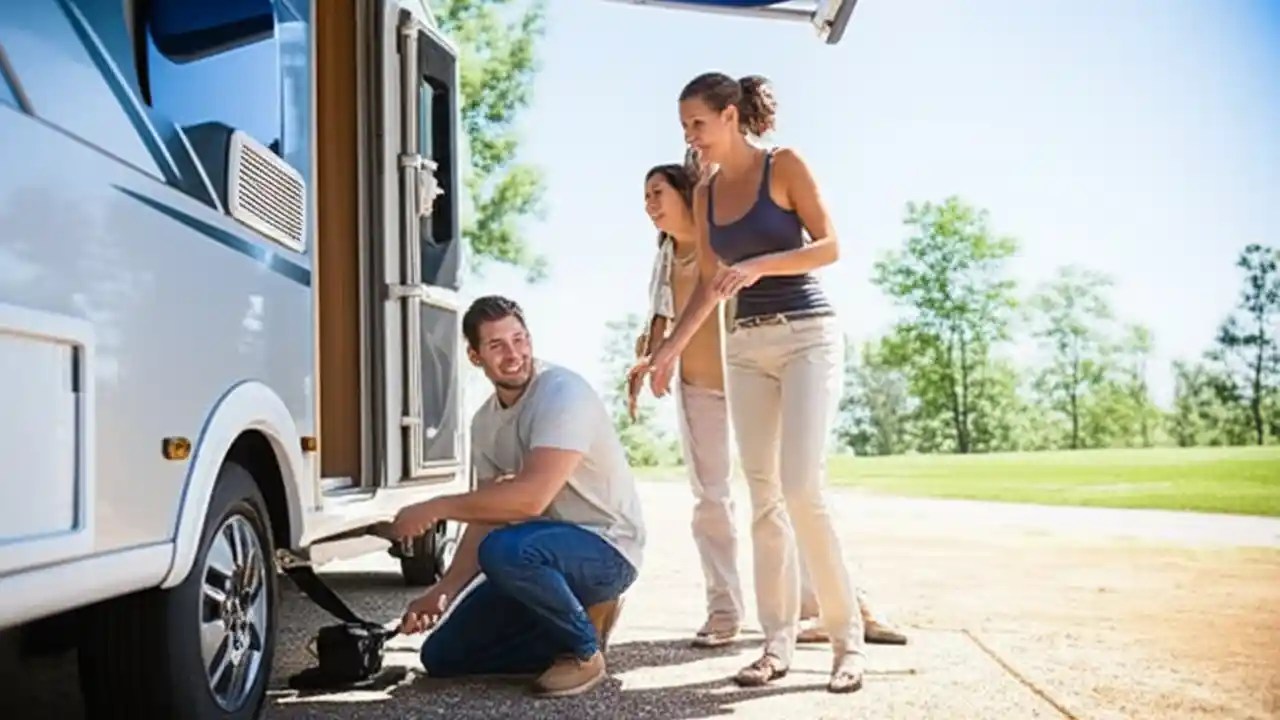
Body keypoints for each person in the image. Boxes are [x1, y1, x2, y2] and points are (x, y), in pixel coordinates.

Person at [630, 71, 863, 693]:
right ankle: (777, 643)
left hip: (807, 334)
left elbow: (831, 246)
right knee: (764, 499)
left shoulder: (783, 166)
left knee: (801, 487)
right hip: (745, 347)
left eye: (698, 125)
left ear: (731, 116)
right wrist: (669, 352)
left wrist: (759, 264)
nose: (691, 138)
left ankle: (847, 642)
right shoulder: (704, 195)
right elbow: (709, 285)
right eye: (685, 128)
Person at [636, 158, 908, 650]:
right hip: (700, 387)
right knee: (712, 501)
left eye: (658, 192)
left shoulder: (723, 239)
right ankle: (724, 610)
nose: (650, 204)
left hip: (753, 376)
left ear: (685, 193)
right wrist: (651, 360)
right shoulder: (664, 255)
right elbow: (659, 315)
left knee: (791, 493)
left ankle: (834, 604)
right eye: (646, 196)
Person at [387, 295, 646, 698]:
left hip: (607, 551)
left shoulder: (562, 393)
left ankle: (582, 651)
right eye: (497, 345)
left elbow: (529, 502)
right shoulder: (484, 424)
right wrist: (443, 591)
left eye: (519, 339)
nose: (514, 354)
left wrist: (436, 508)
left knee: (504, 549)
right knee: (443, 656)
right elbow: (487, 515)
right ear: (476, 357)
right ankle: (583, 620)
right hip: (542, 556)